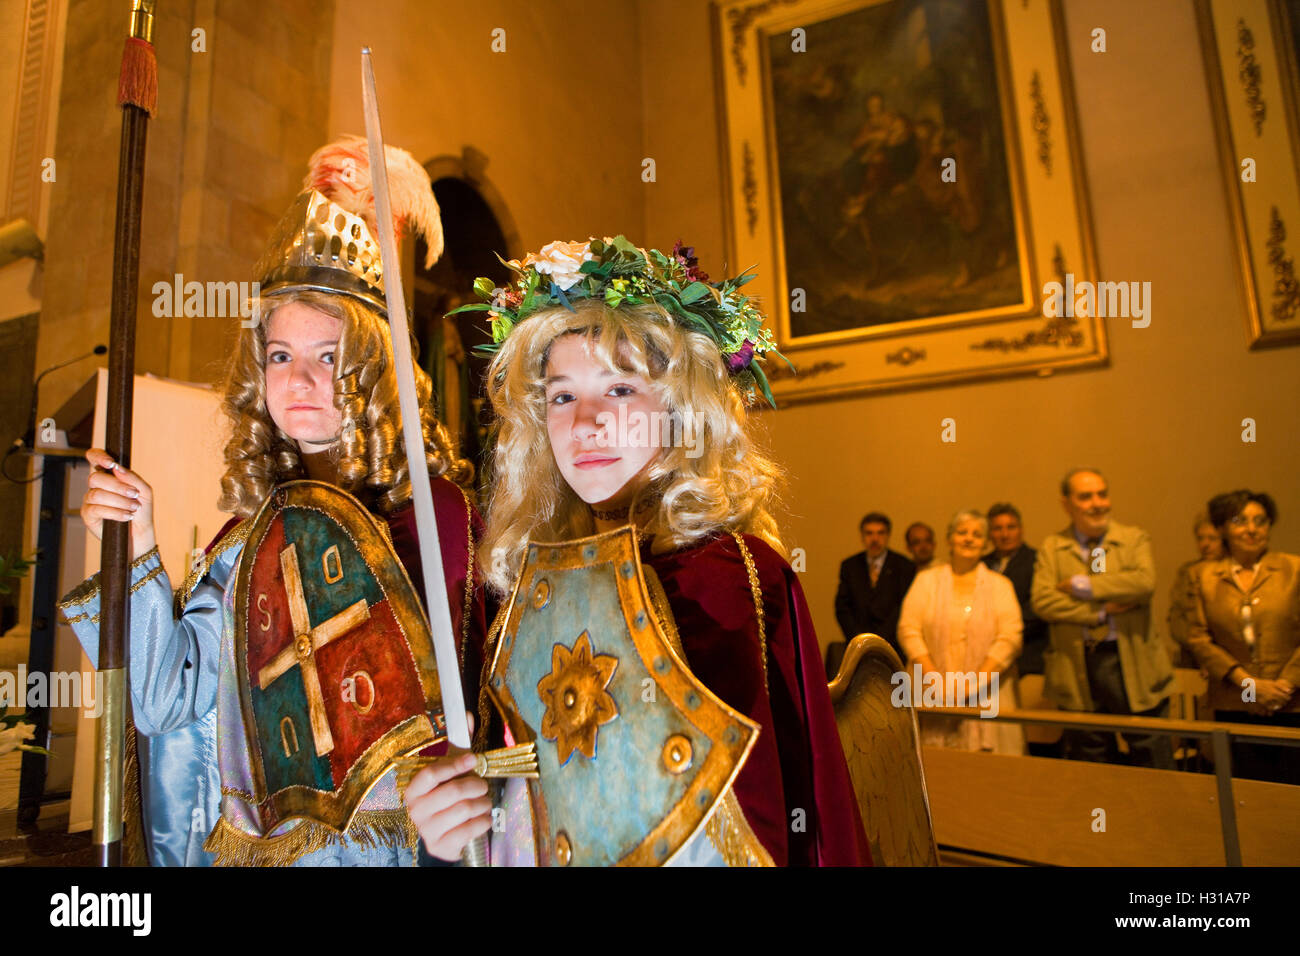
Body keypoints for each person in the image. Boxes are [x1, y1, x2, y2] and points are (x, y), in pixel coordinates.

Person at [58, 137, 485, 866]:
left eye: (329, 356)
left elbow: (476, 724)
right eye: (281, 355)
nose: (299, 381)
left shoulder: (434, 521)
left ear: (373, 365)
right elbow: (163, 702)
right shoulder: (242, 541)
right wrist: (134, 539)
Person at [403, 235, 871, 866]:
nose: (585, 421)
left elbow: (767, 827)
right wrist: (458, 820)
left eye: (620, 389)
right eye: (562, 395)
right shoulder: (530, 591)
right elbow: (535, 821)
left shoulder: (733, 580)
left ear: (679, 409)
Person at [1031, 468, 1174, 769]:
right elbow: (1043, 601)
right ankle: (1102, 816)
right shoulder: (1052, 547)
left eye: (1102, 494)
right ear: (1067, 504)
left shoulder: (1134, 539)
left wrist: (1081, 586)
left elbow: (1144, 583)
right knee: (1091, 757)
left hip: (1133, 663)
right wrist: (1099, 611)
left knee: (1150, 753)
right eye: (1085, 496)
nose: (1097, 503)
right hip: (1078, 665)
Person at [1185, 490, 1300, 784]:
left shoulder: (1294, 569)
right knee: (1249, 792)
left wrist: (1284, 686)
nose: (1251, 529)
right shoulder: (1204, 576)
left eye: (1260, 521)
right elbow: (1199, 638)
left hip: (1292, 700)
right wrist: (1251, 685)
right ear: (1223, 527)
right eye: (1240, 521)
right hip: (1235, 700)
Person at [898, 510, 1024, 753]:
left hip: (988, 692)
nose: (969, 539)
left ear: (986, 543)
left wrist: (973, 686)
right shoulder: (926, 581)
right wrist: (937, 682)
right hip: (928, 690)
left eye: (977, 535)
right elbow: (909, 630)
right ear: (949, 539)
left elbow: (1010, 638)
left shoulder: (1001, 586)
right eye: (962, 532)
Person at [833, 512, 917, 671]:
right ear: (862, 536)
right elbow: (842, 607)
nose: (875, 539)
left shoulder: (904, 566)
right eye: (869, 533)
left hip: (894, 647)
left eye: (880, 533)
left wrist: (880, 641)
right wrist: (859, 640)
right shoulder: (850, 566)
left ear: (888, 535)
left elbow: (904, 608)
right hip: (857, 648)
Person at [982, 503, 1047, 675]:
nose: (1004, 534)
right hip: (984, 657)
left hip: (1028, 657)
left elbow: (1038, 606)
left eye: (1011, 527)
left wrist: (1004, 629)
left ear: (1021, 529)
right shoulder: (980, 565)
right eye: (997, 528)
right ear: (989, 533)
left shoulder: (1038, 561)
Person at [1167, 512, 1226, 668]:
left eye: (1212, 538)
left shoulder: (1236, 572)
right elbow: (1176, 620)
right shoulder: (1187, 573)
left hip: (1230, 659)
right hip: (1192, 658)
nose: (1205, 544)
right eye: (1200, 538)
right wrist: (1201, 649)